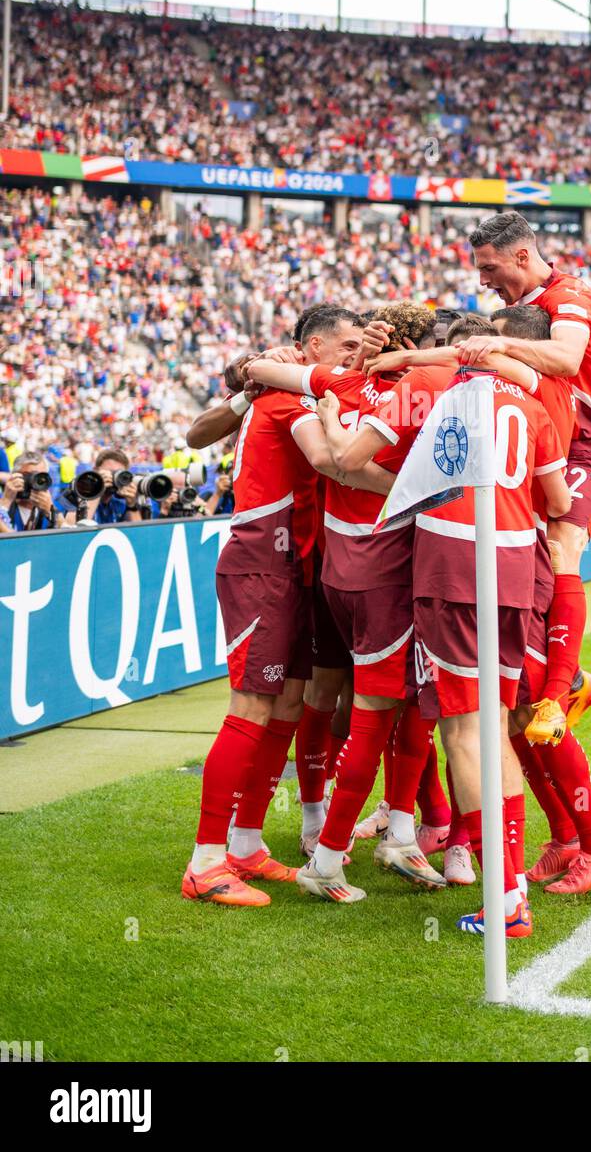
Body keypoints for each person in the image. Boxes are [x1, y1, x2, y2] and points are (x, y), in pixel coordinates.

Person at [320, 314, 577, 938]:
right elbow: (562, 503)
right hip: (517, 566)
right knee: (493, 725)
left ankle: (505, 895)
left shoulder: (429, 392)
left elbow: (344, 460)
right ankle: (507, 882)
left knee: (466, 734)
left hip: (454, 568)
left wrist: (363, 388)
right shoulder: (530, 400)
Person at [182, 308, 394, 907]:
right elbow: (331, 462)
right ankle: (206, 861)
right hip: (260, 567)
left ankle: (246, 843)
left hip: (295, 571)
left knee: (290, 704)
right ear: (312, 346)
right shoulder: (288, 397)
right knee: (251, 704)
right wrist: (429, 488)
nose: (356, 356)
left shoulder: (294, 390)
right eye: (347, 345)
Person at [247, 302, 448, 901]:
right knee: (380, 715)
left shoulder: (340, 383)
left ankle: (401, 832)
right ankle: (329, 856)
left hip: (337, 573)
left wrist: (266, 363)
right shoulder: (431, 393)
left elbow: (261, 369)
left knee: (405, 704)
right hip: (386, 579)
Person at [457, 211, 591, 743]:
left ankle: (558, 698)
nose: (482, 280)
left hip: (588, 445)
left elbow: (566, 356)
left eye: (489, 267)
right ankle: (571, 678)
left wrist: (502, 346)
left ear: (523, 256)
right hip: (538, 441)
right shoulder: (511, 308)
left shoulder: (568, 295)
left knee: (560, 548)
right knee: (527, 559)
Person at [0, 451, 60, 533]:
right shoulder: (3, 501)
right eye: (28, 475)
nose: (34, 481)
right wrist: (6, 502)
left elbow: (68, 536)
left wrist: (51, 512)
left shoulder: (54, 506)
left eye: (40, 476)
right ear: (15, 476)